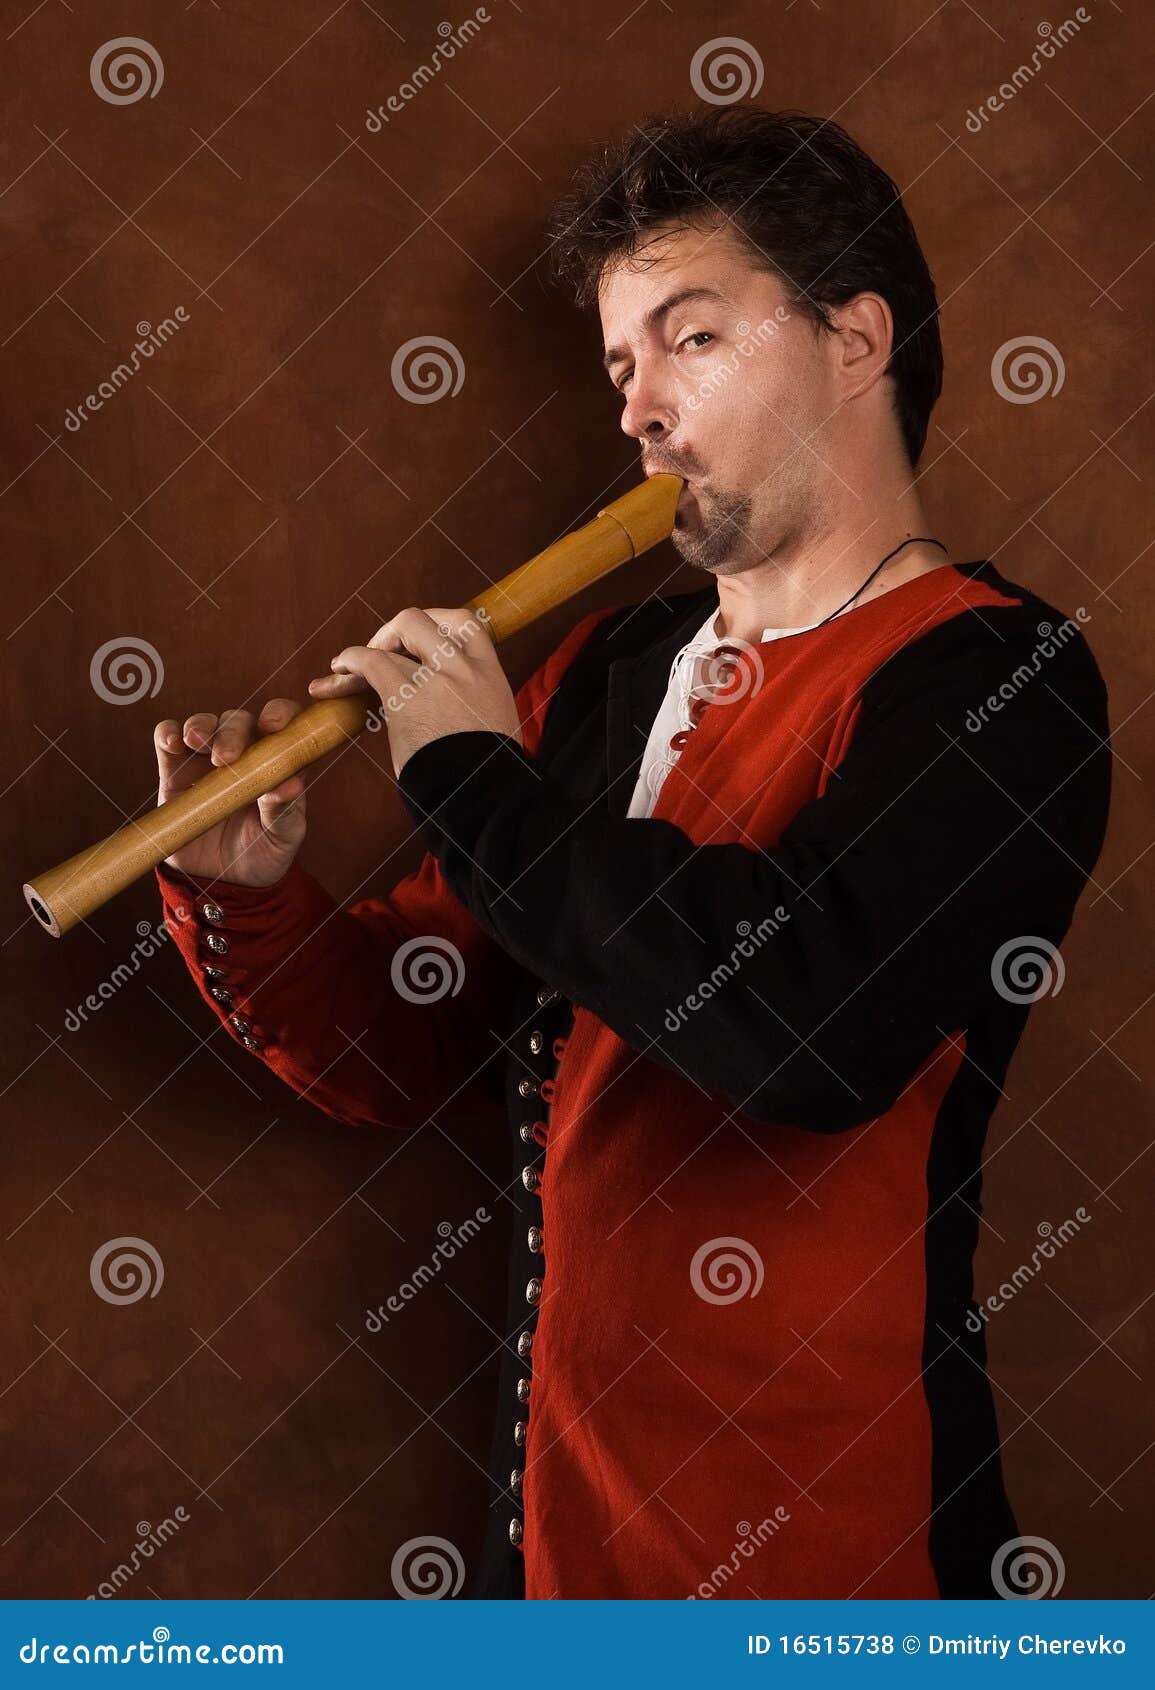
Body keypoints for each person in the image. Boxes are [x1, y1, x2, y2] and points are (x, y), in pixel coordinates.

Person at [153, 106, 1112, 1601]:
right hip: (557, 1550)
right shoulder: (606, 673)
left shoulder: (997, 676)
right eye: (621, 367)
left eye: (694, 339)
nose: (640, 414)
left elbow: (808, 1018)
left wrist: (470, 779)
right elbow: (417, 1037)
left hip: (837, 1555)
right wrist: (249, 895)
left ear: (855, 342)